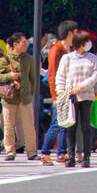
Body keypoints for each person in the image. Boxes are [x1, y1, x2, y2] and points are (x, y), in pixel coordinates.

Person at [55, 30, 97, 169]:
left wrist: (80, 87)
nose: (88, 44)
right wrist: (61, 93)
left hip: (86, 96)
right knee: (70, 127)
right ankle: (71, 157)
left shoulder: (92, 58)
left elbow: (94, 77)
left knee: (86, 126)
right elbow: (60, 76)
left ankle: (86, 157)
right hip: (70, 97)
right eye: (86, 41)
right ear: (80, 43)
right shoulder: (67, 58)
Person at [40, 20, 76, 166]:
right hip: (60, 92)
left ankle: (61, 152)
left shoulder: (68, 49)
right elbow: (52, 73)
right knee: (56, 123)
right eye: (75, 32)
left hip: (67, 91)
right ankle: (45, 153)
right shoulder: (57, 49)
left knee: (64, 124)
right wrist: (55, 95)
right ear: (69, 33)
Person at [1, 33, 37, 161]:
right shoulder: (5, 59)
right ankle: (10, 151)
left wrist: (30, 93)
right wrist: (10, 76)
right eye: (23, 42)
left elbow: (33, 78)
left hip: (25, 97)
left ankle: (32, 151)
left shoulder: (29, 59)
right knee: (9, 125)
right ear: (15, 44)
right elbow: (0, 77)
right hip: (9, 98)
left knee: (29, 125)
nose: (26, 45)